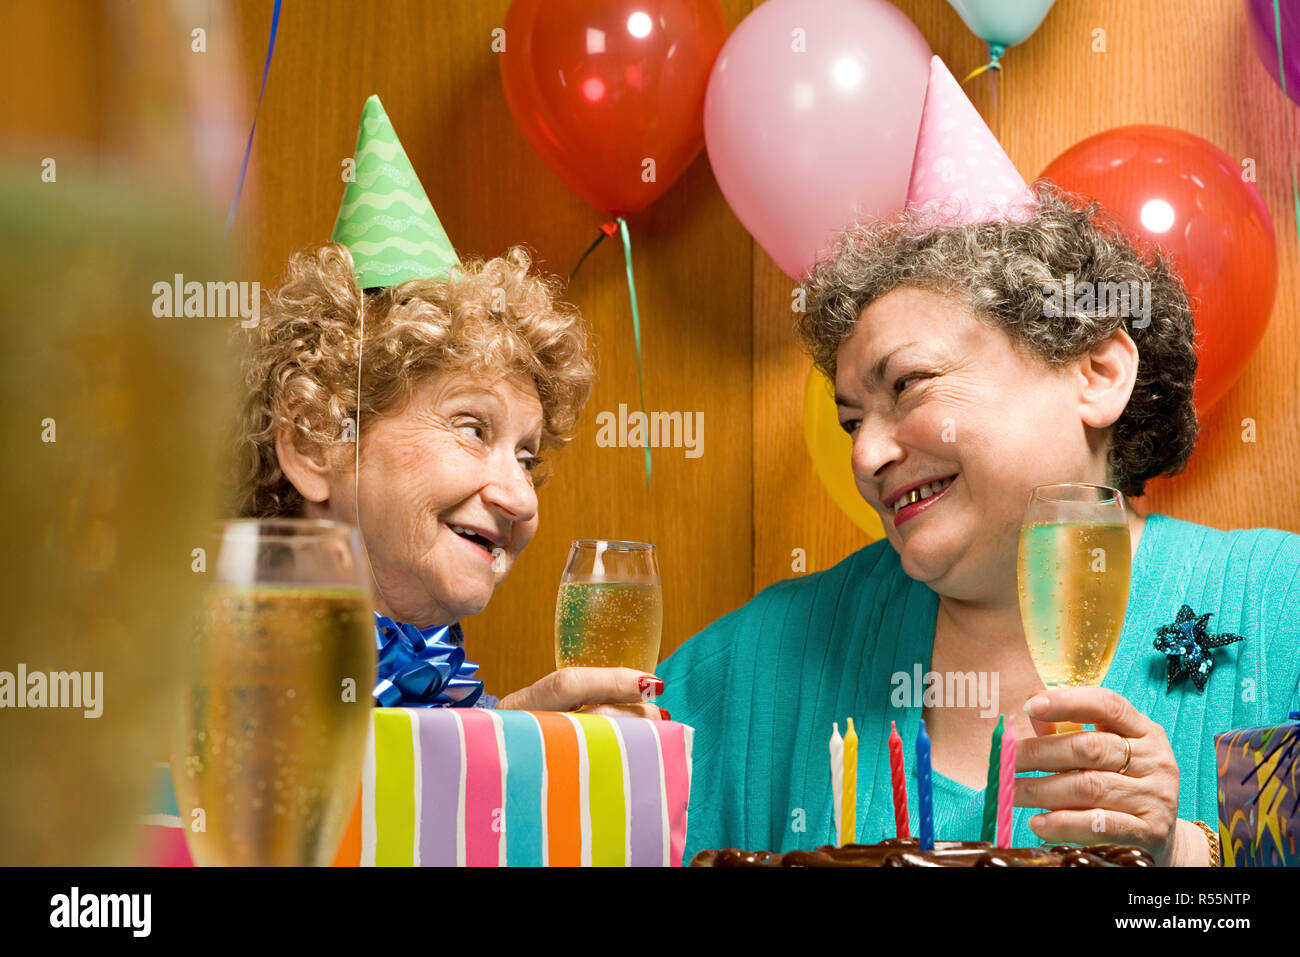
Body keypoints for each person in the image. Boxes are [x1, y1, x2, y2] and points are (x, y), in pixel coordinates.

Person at [655, 59, 1300, 866]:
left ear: (1096, 372)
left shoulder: (1278, 612)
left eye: (910, 384)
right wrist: (508, 735)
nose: (867, 452)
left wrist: (1183, 855)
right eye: (852, 418)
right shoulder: (768, 654)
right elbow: (554, 810)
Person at [233, 95, 664, 718]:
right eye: (471, 428)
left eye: (527, 457)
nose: (522, 500)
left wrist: (506, 748)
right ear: (313, 439)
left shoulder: (449, 703)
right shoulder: (196, 702)